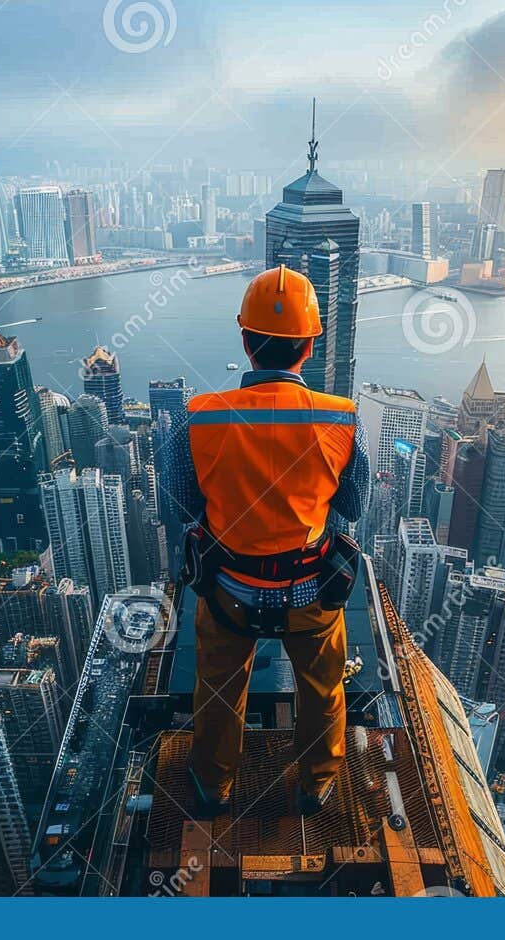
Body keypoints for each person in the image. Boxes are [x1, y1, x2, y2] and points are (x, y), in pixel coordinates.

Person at [168, 265, 368, 817]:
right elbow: (354, 507)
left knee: (218, 689)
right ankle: (317, 784)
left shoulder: (198, 419)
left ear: (245, 340)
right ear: (310, 345)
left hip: (228, 591)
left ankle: (214, 786)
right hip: (312, 593)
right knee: (323, 687)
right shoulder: (341, 419)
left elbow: (180, 505)